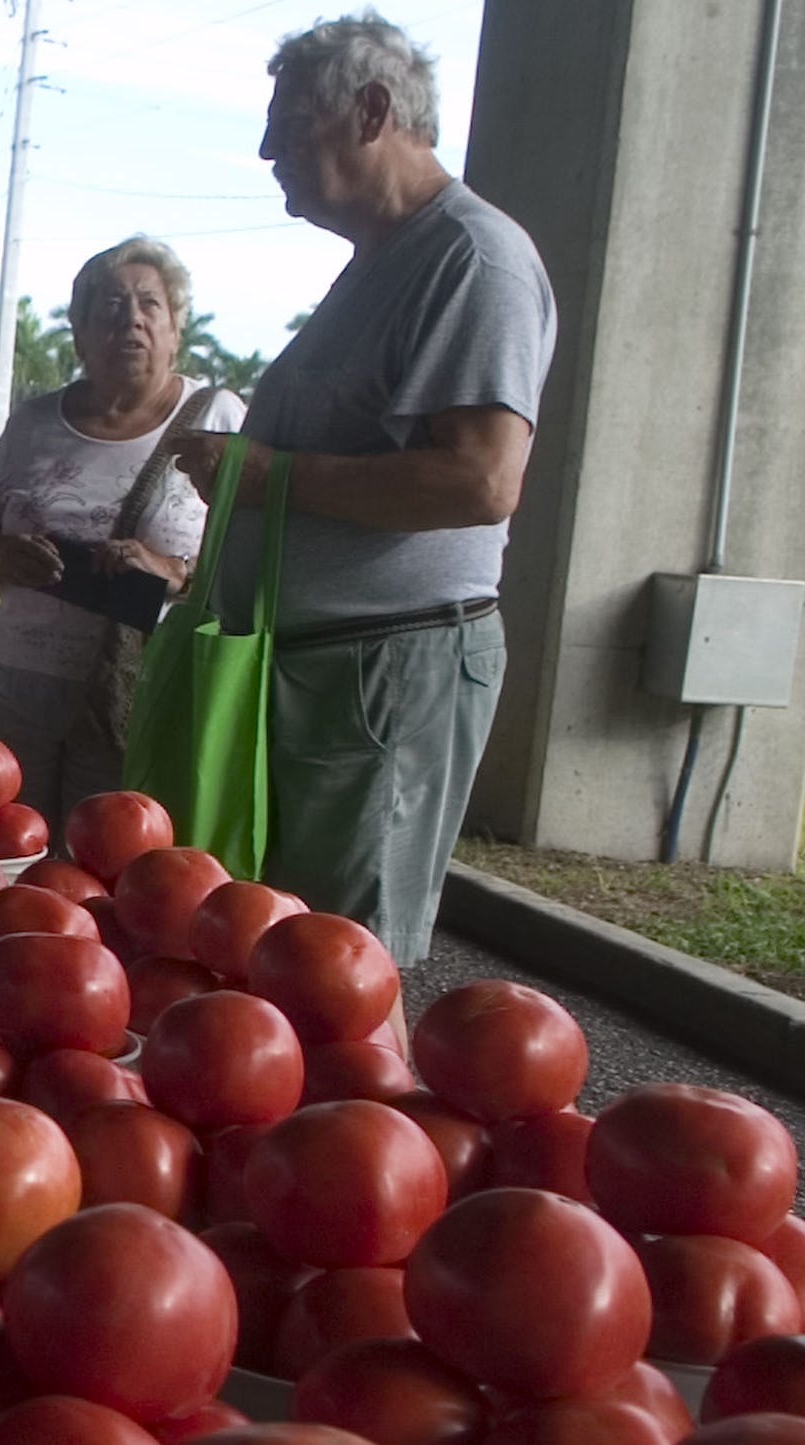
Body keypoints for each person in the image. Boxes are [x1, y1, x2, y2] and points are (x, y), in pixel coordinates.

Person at [168, 10, 553, 967]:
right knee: (282, 946)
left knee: (342, 965)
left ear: (373, 111)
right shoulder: (382, 261)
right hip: (317, 665)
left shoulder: (473, 257)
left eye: (289, 125)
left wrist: (267, 475)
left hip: (382, 672)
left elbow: (482, 478)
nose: (270, 152)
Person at [0, 238, 246, 823]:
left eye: (150, 303)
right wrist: (3, 557)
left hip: (143, 691)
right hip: (20, 688)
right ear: (79, 333)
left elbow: (257, 564)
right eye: (109, 305)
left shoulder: (220, 420)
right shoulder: (33, 423)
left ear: (175, 328)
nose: (130, 319)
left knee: (115, 851)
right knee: (7, 843)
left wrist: (174, 572)